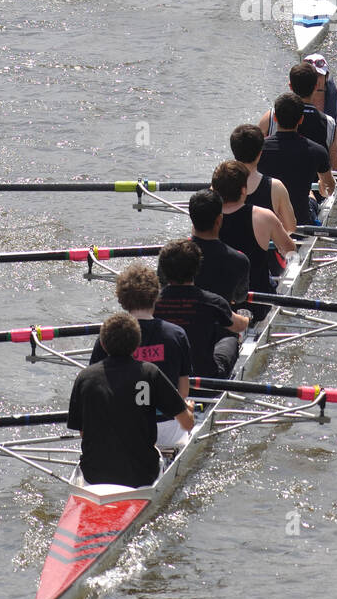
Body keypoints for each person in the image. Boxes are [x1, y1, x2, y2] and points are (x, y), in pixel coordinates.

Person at [68, 312, 193, 488]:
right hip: (141, 477)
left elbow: (83, 433)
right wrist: (188, 409)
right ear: (136, 346)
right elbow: (187, 423)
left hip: (94, 476)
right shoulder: (150, 372)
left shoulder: (84, 377)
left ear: (103, 344)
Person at [88, 262, 192, 450]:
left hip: (124, 430)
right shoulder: (177, 334)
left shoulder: (108, 336)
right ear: (156, 296)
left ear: (122, 300)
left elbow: (95, 390)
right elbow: (183, 391)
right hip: (167, 431)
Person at [212, 160, 297, 315]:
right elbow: (290, 250)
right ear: (244, 190)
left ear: (214, 190)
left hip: (217, 304)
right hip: (257, 302)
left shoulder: (205, 216)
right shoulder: (263, 216)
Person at [156, 238, 249, 379]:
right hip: (206, 377)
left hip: (164, 377)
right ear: (197, 268)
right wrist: (247, 318)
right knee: (230, 338)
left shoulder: (150, 303)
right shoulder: (213, 302)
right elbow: (239, 326)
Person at [258, 91, 335, 225]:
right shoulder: (318, 151)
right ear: (301, 119)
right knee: (310, 194)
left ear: (275, 118)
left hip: (264, 220)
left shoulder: (256, 148)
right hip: (300, 220)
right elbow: (329, 189)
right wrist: (322, 187)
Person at [258, 61, 337, 167]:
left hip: (275, 179)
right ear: (316, 86)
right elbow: (334, 164)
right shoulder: (330, 123)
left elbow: (254, 152)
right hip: (312, 181)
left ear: (290, 86)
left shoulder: (271, 115)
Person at [188, 188, 251, 307]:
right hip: (219, 320)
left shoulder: (171, 254)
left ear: (191, 217)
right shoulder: (239, 260)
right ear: (219, 219)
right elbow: (240, 297)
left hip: (180, 319)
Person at [229, 123, 297, 232]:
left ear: (234, 150)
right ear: (260, 153)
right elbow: (291, 228)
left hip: (228, 247)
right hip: (264, 248)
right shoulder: (276, 186)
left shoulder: (220, 183)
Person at [303, 52, 337, 147]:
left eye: (319, 75)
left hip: (334, 146)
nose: (315, 80)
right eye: (311, 76)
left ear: (326, 76)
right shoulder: (295, 99)